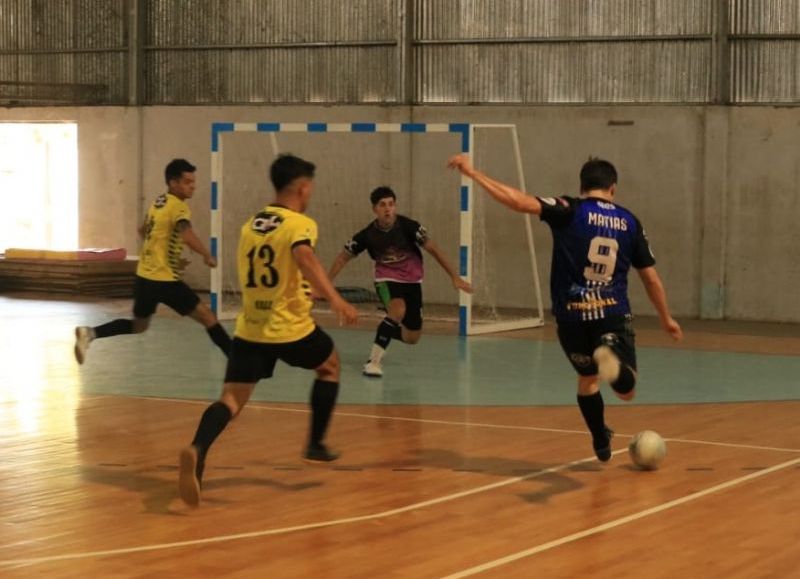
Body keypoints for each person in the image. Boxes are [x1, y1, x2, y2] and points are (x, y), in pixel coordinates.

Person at [448, 154, 682, 462]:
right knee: (626, 390)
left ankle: (600, 437)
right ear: (613, 188)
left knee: (587, 380)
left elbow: (518, 202)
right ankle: (610, 354)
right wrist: (666, 318)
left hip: (571, 316)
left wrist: (474, 173)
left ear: (582, 185)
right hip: (611, 313)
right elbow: (650, 278)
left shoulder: (569, 209)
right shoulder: (629, 221)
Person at [178, 154, 358, 507]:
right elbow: (304, 257)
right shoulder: (299, 224)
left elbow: (270, 269)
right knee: (330, 365)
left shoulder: (252, 224)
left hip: (250, 328)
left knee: (231, 399)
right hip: (288, 328)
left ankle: (197, 450)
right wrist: (335, 298)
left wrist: (303, 287)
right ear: (303, 188)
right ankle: (316, 445)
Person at [73, 159, 231, 364]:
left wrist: (161, 247)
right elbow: (186, 233)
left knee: (139, 326)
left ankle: (90, 333)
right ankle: (238, 362)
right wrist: (205, 254)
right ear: (173, 183)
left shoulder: (159, 202)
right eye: (187, 181)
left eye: (193, 181)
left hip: (144, 277)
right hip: (164, 279)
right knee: (208, 318)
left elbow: (142, 230)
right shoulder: (178, 207)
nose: (192, 185)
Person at [326, 186, 473, 377]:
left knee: (412, 337)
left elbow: (433, 249)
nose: (387, 209)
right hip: (386, 279)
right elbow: (343, 257)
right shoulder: (367, 235)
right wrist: (326, 285)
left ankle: (385, 331)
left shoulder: (409, 227)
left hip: (412, 281)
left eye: (391, 204)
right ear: (375, 209)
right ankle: (373, 362)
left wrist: (454, 276)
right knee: (398, 310)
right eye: (382, 205)